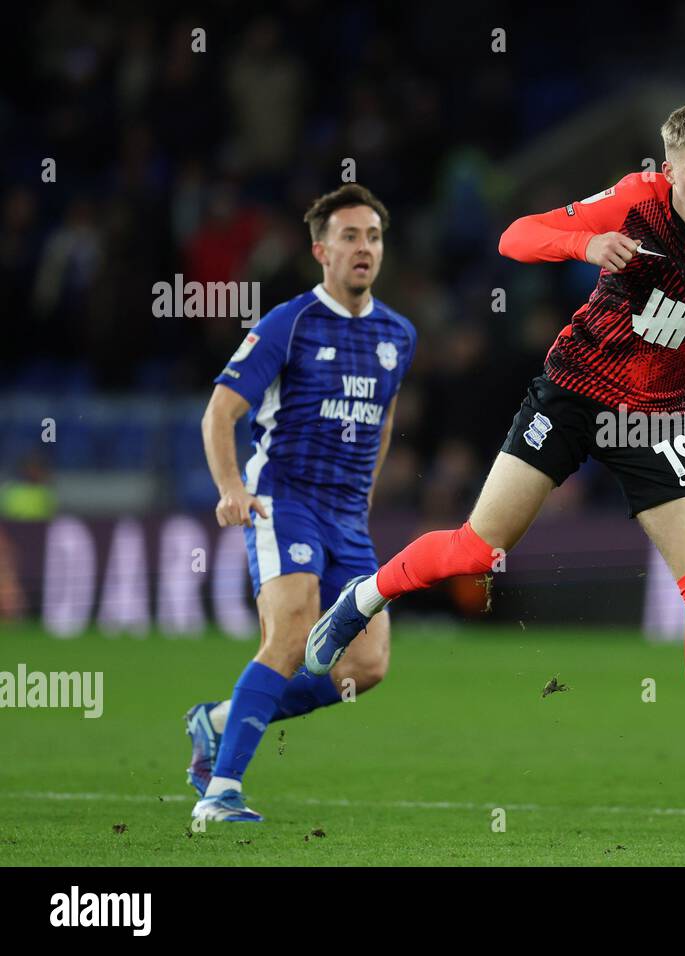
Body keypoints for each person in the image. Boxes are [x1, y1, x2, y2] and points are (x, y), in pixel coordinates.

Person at [308, 99, 685, 827]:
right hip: (570, 392)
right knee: (478, 548)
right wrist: (586, 246)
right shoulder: (633, 202)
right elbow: (516, 236)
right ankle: (363, 598)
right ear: (669, 169)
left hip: (653, 418)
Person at [189, 184, 415, 823]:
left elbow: (384, 419)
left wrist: (365, 498)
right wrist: (232, 489)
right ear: (321, 250)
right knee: (290, 634)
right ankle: (220, 794)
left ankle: (220, 720)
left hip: (346, 517)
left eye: (372, 236)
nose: (363, 247)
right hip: (282, 501)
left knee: (365, 667)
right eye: (349, 236)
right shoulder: (288, 324)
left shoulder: (398, 334)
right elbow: (219, 413)